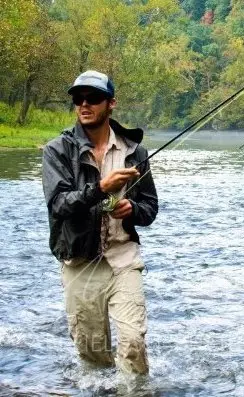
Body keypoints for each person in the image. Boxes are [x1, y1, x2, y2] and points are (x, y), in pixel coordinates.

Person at [42, 70, 158, 375]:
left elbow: (150, 209)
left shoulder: (135, 152)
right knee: (93, 359)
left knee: (133, 343)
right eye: (78, 99)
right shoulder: (58, 151)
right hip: (79, 261)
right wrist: (101, 189)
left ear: (111, 104)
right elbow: (58, 205)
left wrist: (132, 207)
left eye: (93, 98)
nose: (84, 104)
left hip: (123, 260)